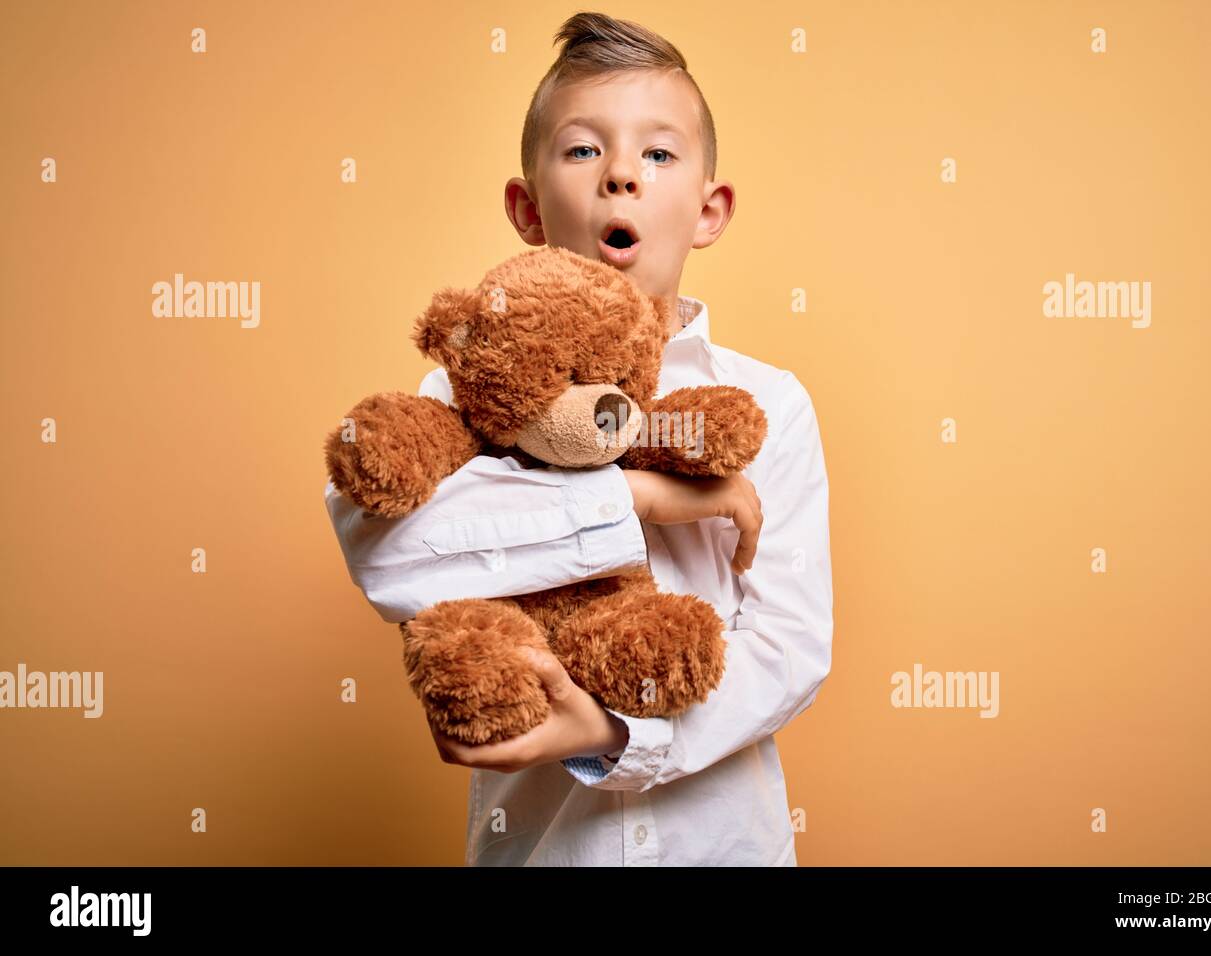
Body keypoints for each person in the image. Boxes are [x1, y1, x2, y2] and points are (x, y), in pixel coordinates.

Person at [324, 11, 833, 866]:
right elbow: (391, 559)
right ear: (527, 208)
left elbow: (789, 649)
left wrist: (611, 731)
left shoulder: (767, 404)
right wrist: (638, 497)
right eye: (583, 150)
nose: (622, 176)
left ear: (709, 211)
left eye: (658, 154)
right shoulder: (464, 392)